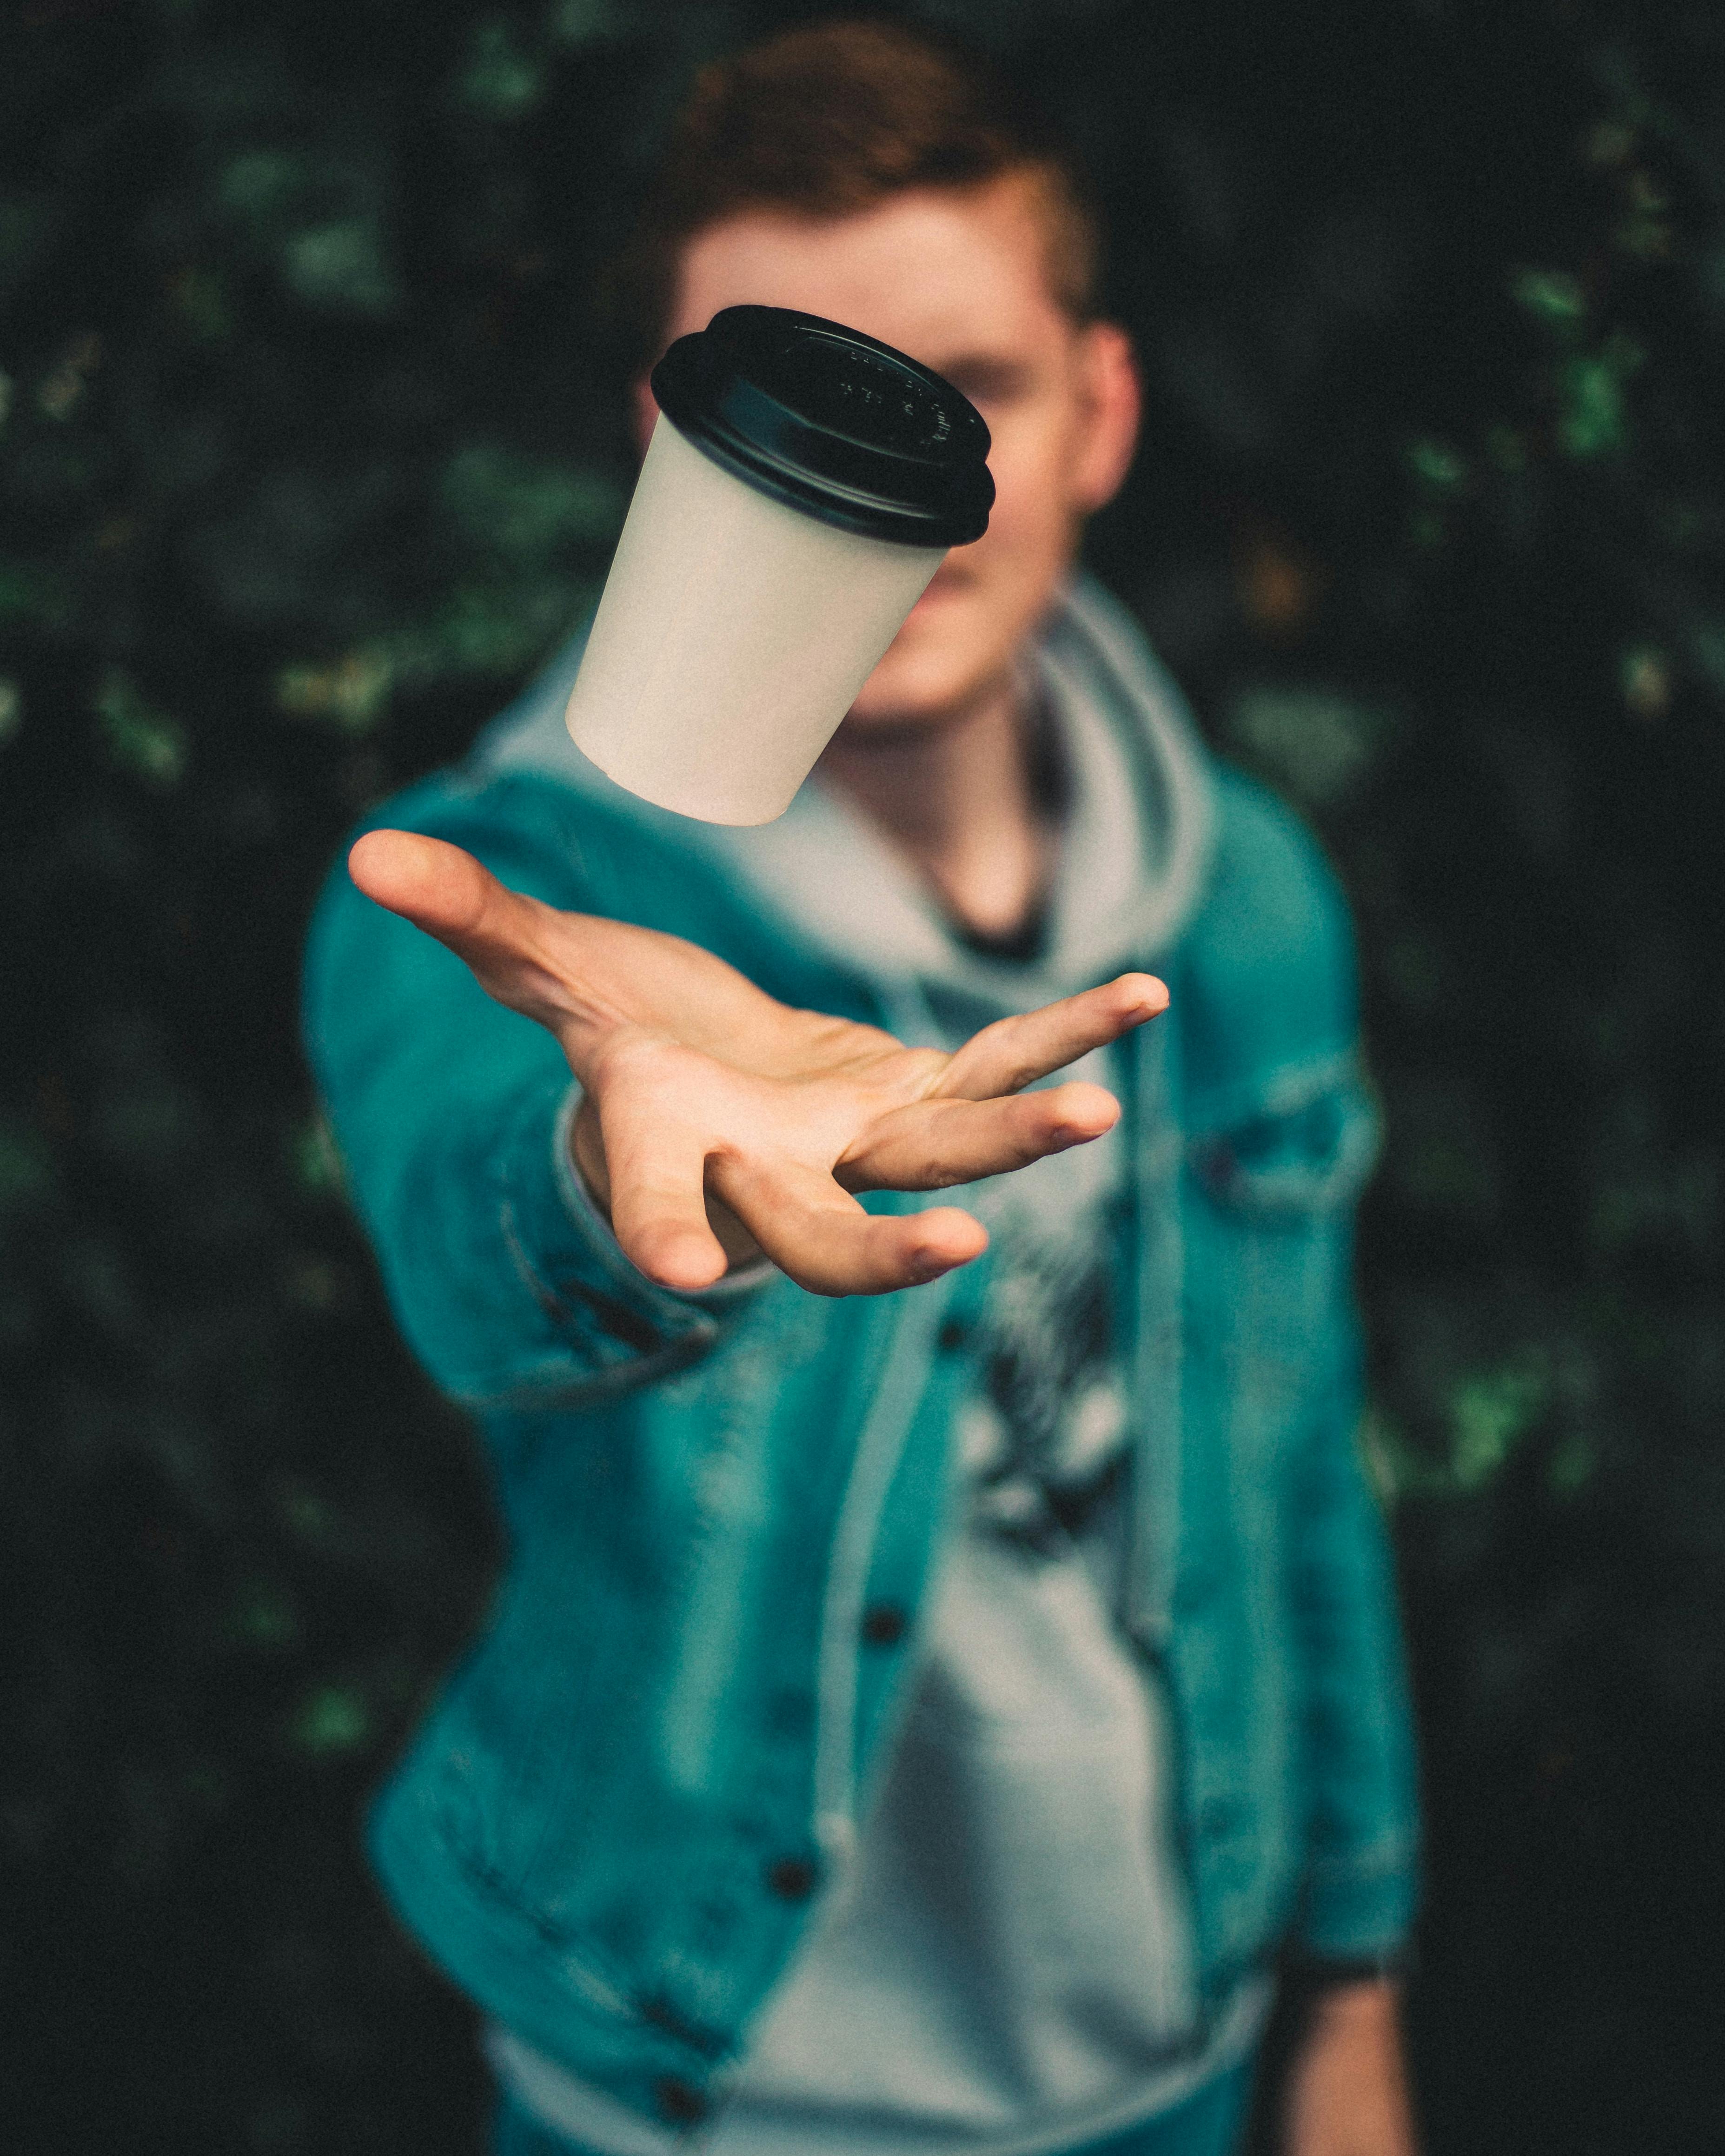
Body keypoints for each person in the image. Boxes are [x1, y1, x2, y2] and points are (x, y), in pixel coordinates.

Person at [303, 22, 1420, 2156]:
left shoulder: (1249, 904)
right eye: (783, 395)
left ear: (1094, 413)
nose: (875, 495)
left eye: (959, 396)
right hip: (699, 2074)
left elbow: (1298, 1483)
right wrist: (625, 1168)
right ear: (662, 433)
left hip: (1165, 2051)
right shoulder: (498, 903)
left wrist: (1347, 1986)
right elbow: (479, 1244)